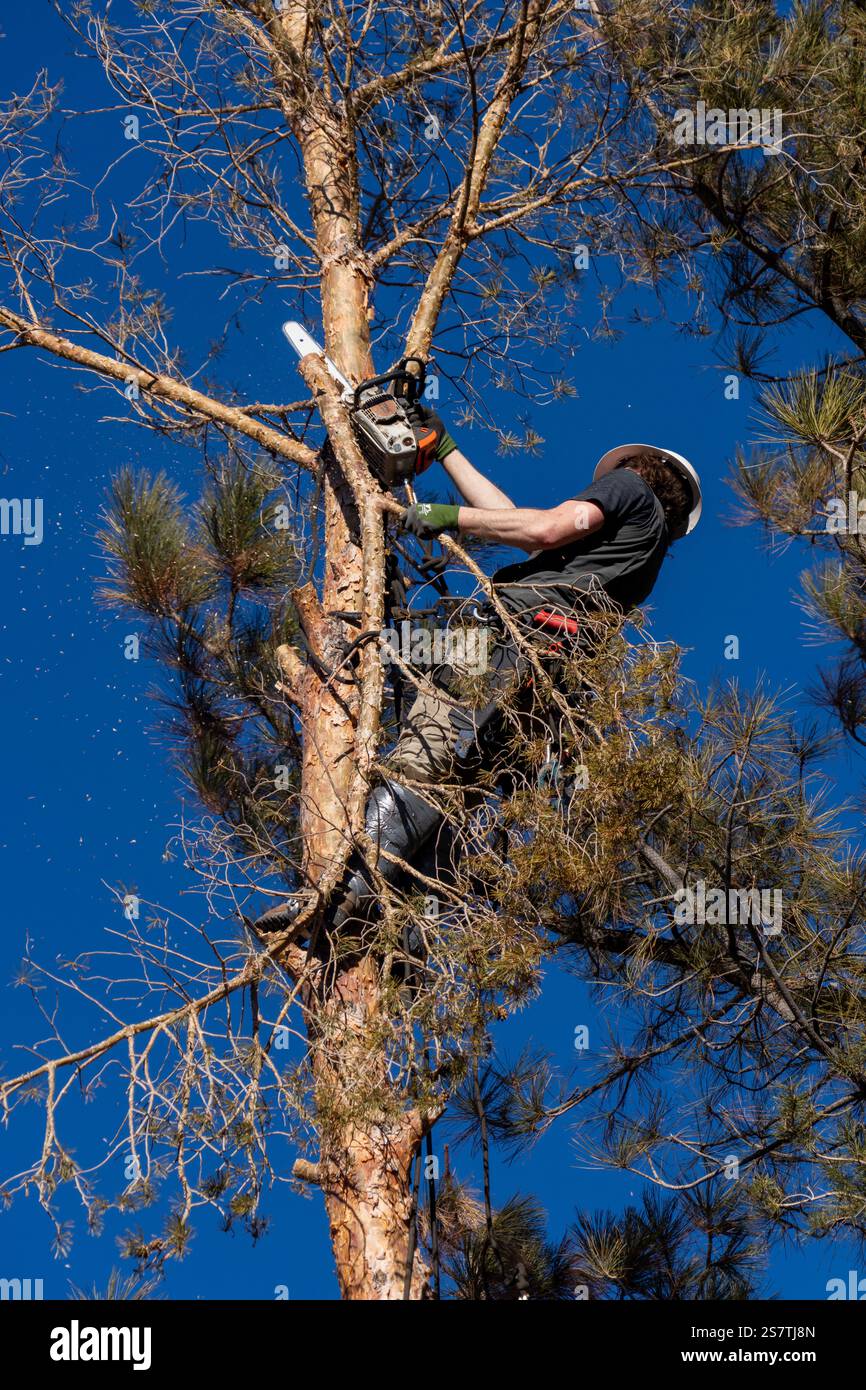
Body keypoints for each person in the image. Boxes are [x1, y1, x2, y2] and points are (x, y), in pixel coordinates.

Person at [254, 409, 702, 937]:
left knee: (421, 758)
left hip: (515, 641)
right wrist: (446, 451)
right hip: (544, 678)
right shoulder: (636, 554)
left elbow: (544, 526)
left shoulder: (628, 488)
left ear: (641, 470)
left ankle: (340, 891)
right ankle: (396, 928)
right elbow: (530, 533)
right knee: (452, 792)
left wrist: (449, 518)